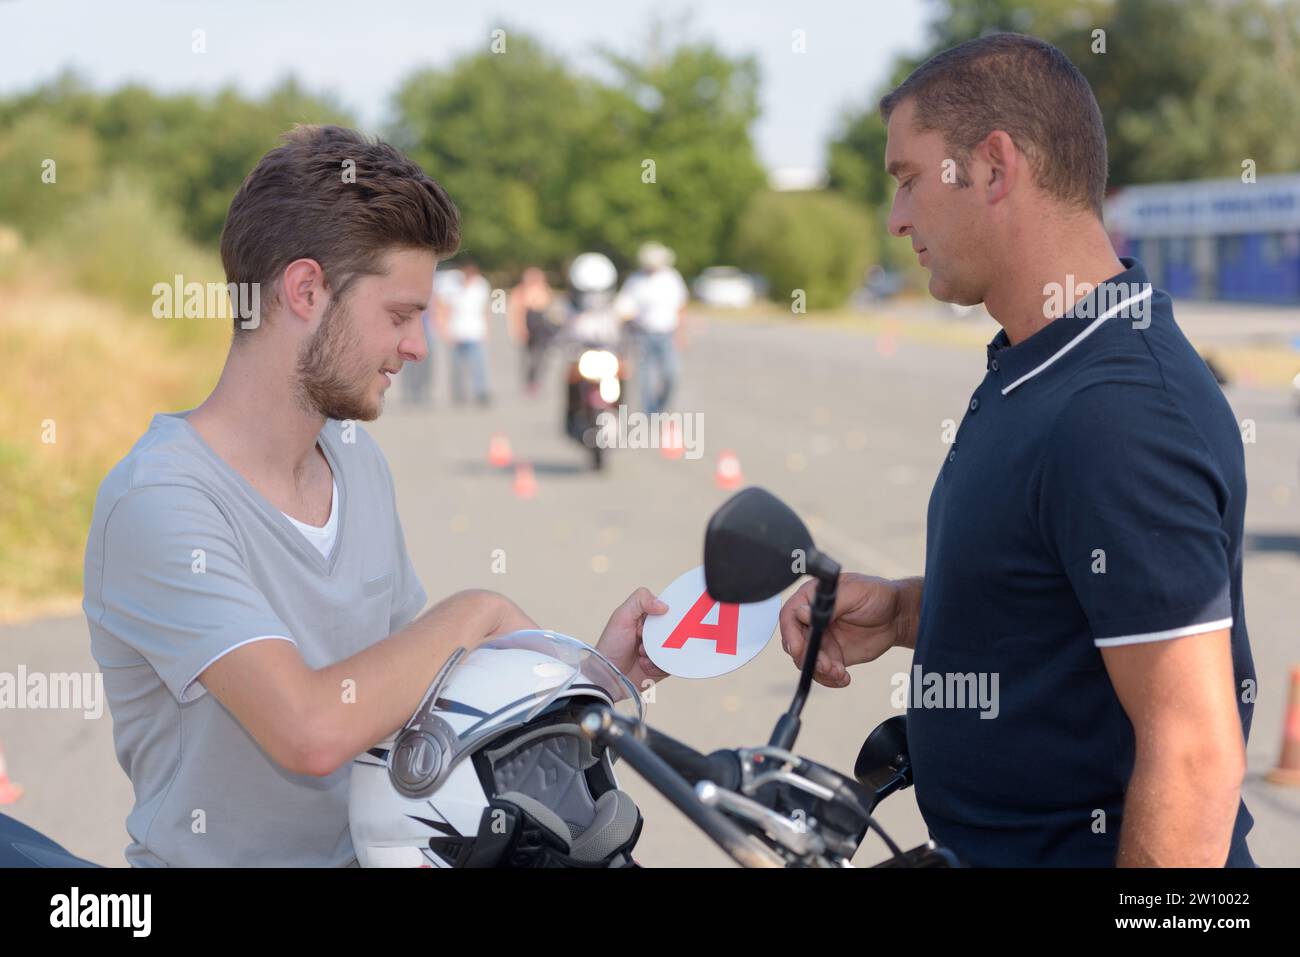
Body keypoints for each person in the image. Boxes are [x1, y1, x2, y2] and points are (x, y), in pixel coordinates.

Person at [82, 125, 670, 867]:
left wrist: (579, 677)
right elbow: (310, 729)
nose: (419, 344)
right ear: (305, 291)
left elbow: (410, 704)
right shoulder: (159, 500)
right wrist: (476, 610)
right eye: (399, 313)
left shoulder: (355, 459)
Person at [778, 33, 1256, 867]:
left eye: (908, 179)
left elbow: (1194, 752)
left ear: (994, 167)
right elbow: (1067, 597)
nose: (896, 218)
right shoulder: (1045, 360)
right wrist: (899, 610)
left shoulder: (1118, 408)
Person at [615, 242, 689, 415]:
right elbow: (624, 306)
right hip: (643, 334)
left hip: (667, 334)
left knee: (672, 375)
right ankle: (650, 412)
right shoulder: (636, 280)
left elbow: (681, 306)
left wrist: (681, 333)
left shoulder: (671, 278)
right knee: (645, 378)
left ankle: (661, 406)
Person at [437, 258, 492, 406]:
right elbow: (443, 307)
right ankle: (458, 394)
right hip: (456, 331)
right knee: (457, 367)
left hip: (475, 331)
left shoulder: (481, 285)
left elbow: (485, 308)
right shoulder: (451, 284)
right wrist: (444, 329)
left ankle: (481, 392)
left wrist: (487, 329)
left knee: (478, 365)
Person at [507, 266, 558, 396]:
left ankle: (537, 381)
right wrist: (519, 328)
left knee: (541, 355)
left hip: (542, 326)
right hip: (529, 325)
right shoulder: (521, 292)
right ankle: (529, 381)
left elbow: (550, 309)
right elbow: (517, 312)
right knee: (529, 357)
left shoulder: (544, 289)